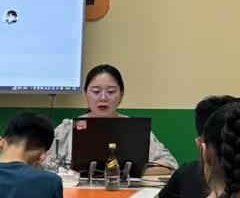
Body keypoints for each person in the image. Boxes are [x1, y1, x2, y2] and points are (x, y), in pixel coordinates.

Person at [43, 64, 177, 176]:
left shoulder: (134, 128)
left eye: (111, 92)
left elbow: (170, 164)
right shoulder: (68, 128)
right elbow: (42, 162)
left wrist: (129, 172)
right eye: (96, 91)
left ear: (121, 95)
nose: (103, 98)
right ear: (85, 94)